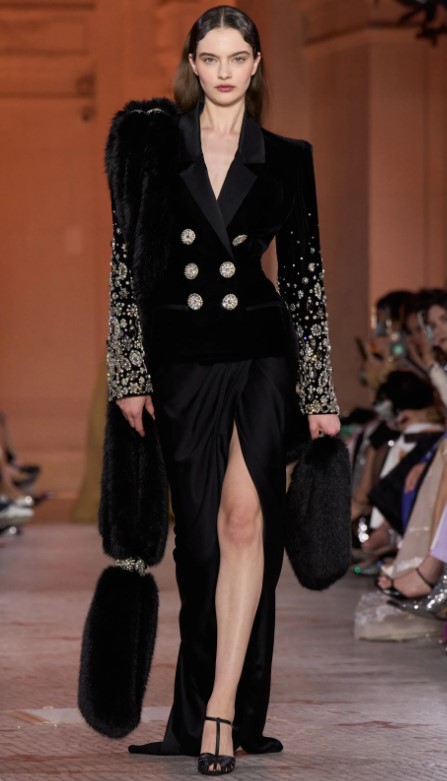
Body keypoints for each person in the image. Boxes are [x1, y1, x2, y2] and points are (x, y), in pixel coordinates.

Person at [105, 6, 340, 775]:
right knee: (200, 546)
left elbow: (303, 277)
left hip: (260, 355)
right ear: (192, 64)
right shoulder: (155, 149)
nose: (225, 71)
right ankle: (195, 709)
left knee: (244, 525)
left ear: (256, 62)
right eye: (210, 58)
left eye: (238, 56)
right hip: (181, 359)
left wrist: (318, 389)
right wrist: (128, 371)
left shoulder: (287, 157)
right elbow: (125, 264)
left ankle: (220, 711)